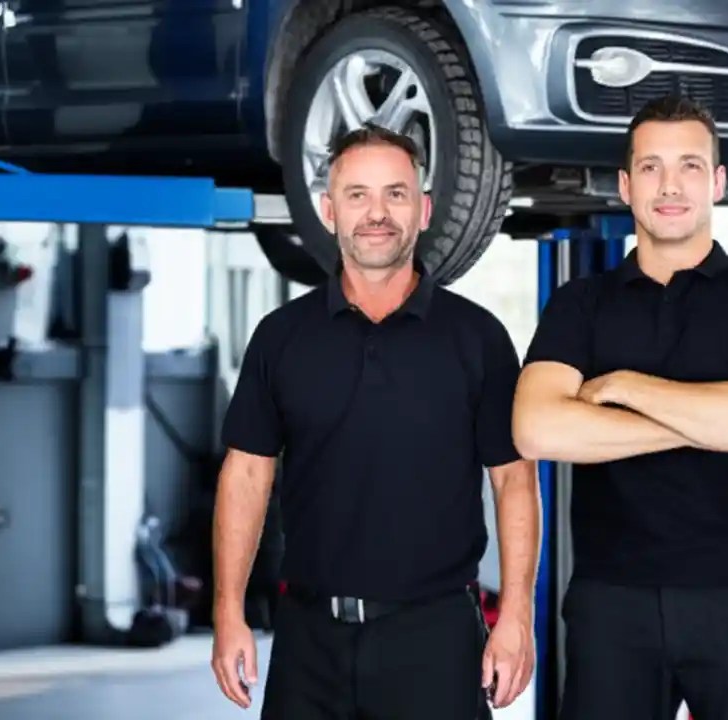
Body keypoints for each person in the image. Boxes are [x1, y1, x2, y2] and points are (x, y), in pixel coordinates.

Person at [210, 124, 541, 719]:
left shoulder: (478, 338)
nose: (377, 213)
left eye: (396, 193)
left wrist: (517, 614)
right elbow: (246, 477)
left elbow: (514, 480)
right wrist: (227, 611)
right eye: (357, 195)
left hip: (436, 638)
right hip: (309, 641)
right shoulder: (281, 338)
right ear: (329, 211)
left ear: (424, 209)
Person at [512, 94, 728, 719]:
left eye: (690, 166)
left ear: (718, 183)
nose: (669, 185)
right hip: (610, 603)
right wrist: (707, 420)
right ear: (625, 186)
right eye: (650, 167)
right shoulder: (580, 304)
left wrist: (623, 386)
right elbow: (537, 428)